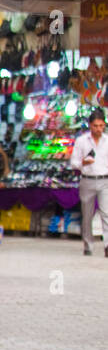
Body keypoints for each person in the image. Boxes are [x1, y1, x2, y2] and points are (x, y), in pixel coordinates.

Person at [68, 108, 108, 257]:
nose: (99, 129)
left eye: (101, 126)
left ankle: (107, 245)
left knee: (106, 214)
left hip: (104, 180)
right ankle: (88, 245)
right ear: (90, 125)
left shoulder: (107, 141)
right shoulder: (82, 141)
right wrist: (83, 163)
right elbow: (74, 163)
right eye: (96, 126)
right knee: (87, 215)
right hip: (87, 181)